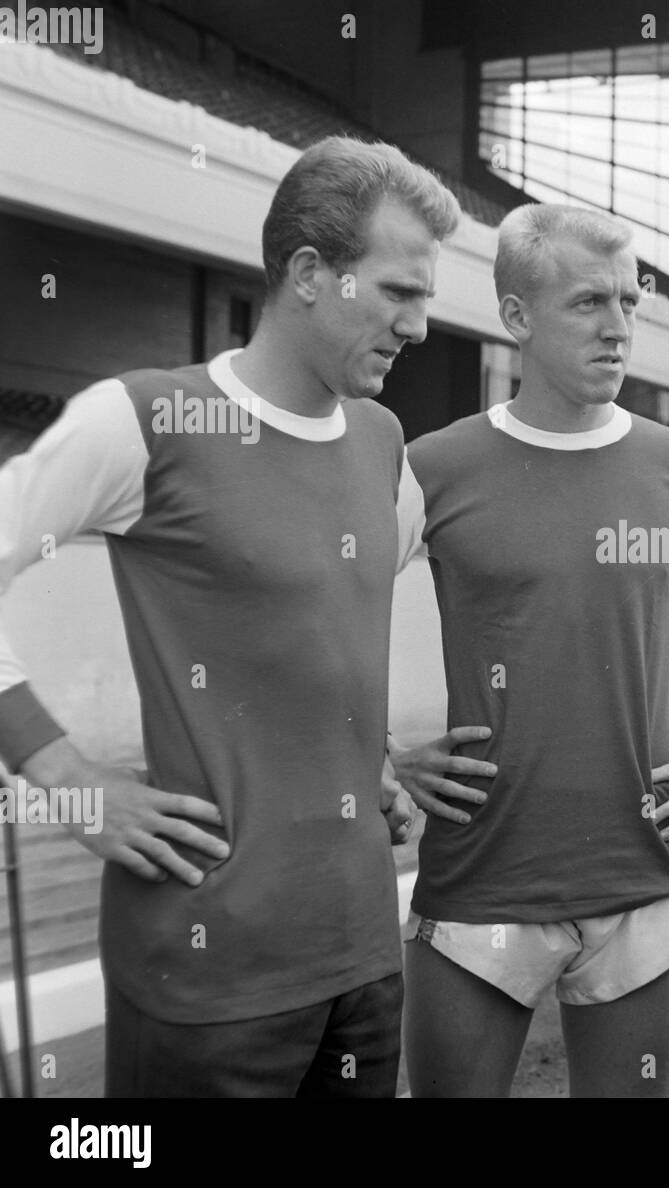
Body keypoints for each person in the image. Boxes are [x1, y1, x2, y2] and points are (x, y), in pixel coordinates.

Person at [0, 135, 469, 1096]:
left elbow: (313, 639)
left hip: (364, 960)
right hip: (206, 979)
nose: (420, 326)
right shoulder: (141, 418)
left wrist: (366, 757)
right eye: (397, 293)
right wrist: (65, 778)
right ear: (309, 273)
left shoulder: (383, 441)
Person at [391, 203, 669, 1097]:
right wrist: (374, 757)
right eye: (587, 305)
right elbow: (321, 608)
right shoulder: (435, 465)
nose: (618, 329)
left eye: (630, 303)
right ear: (517, 317)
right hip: (481, 883)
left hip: (641, 877)